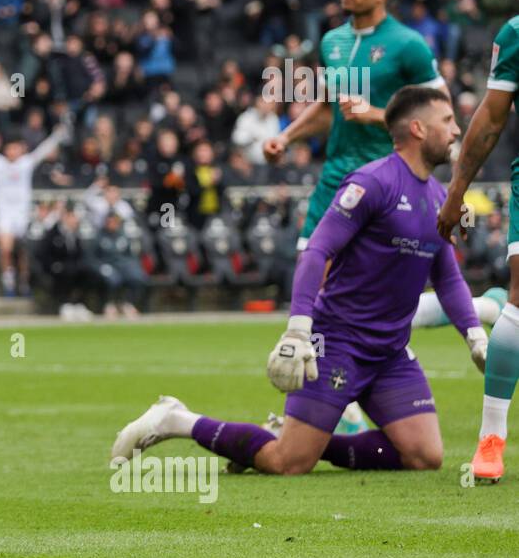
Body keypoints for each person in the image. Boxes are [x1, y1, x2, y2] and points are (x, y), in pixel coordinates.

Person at [114, 87, 485, 475]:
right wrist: (298, 330)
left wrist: (475, 336)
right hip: (338, 339)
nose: (457, 130)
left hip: (390, 351)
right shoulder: (371, 183)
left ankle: (301, 438)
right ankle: (176, 420)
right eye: (447, 121)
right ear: (418, 129)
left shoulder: (441, 196)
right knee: (288, 462)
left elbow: (446, 275)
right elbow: (316, 252)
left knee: (425, 456)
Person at [261, 0, 500, 433]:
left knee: (375, 296)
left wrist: (379, 115)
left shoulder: (408, 45)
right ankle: (337, 403)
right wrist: (288, 137)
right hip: (335, 178)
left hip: (388, 181)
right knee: (321, 280)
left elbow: (440, 111)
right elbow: (333, 106)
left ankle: (340, 403)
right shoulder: (333, 40)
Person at [436, 9, 519, 481]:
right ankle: (491, 438)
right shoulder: (515, 34)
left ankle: (484, 308)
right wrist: (455, 190)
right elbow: (490, 118)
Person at [0, 117, 70, 296]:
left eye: (16, 148)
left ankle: (24, 283)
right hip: (4, 214)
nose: (13, 151)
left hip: (21, 214)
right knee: (6, 250)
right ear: (6, 149)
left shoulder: (26, 164)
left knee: (24, 252)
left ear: (20, 149)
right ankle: (8, 283)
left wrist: (58, 135)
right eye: (10, 148)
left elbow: (43, 150)